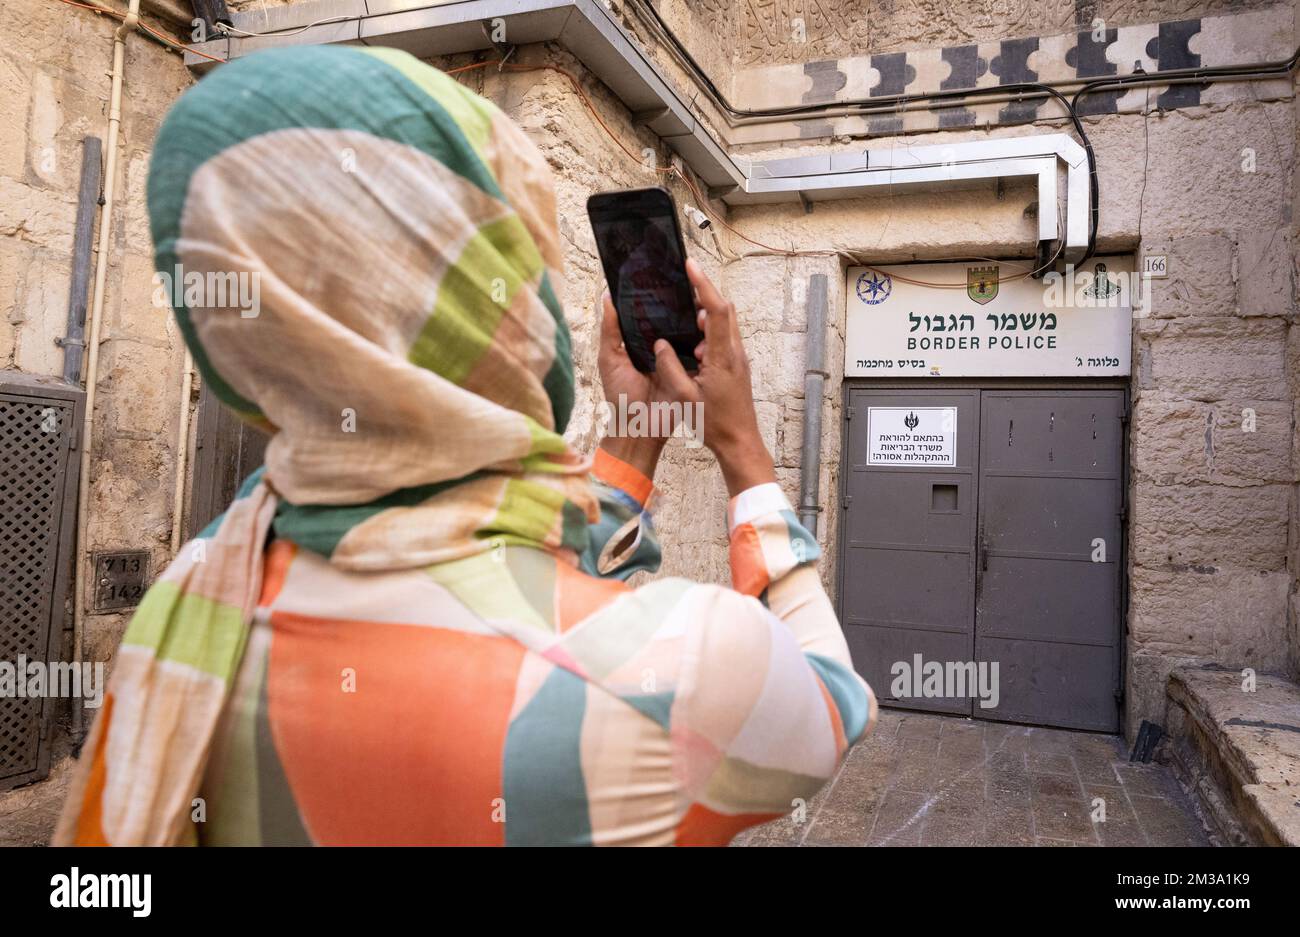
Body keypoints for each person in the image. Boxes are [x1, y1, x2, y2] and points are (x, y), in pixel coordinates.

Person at [54, 43, 875, 846]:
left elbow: (506, 569)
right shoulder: (685, 670)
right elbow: (830, 703)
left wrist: (637, 438)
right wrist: (744, 450)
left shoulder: (198, 599)